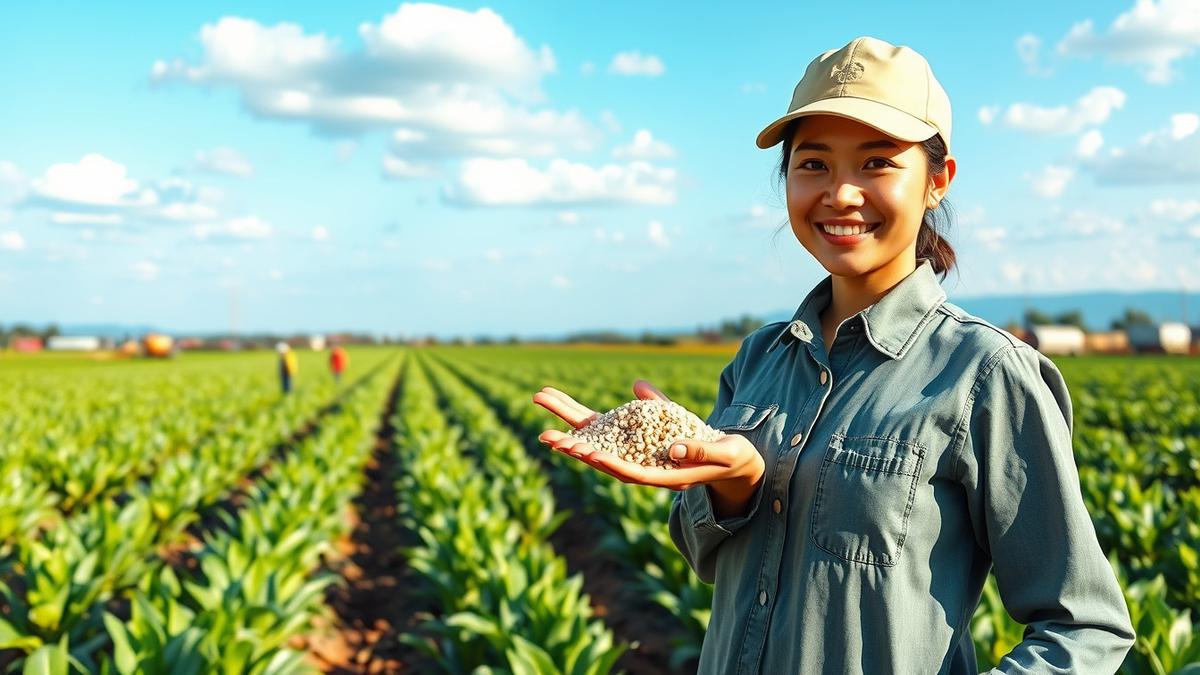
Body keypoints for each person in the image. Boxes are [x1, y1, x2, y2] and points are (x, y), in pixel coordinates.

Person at [533, 36, 1134, 674]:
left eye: (876, 164)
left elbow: (1084, 628)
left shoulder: (985, 374)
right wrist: (739, 484)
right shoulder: (759, 358)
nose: (840, 194)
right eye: (813, 164)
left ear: (937, 181)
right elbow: (705, 556)